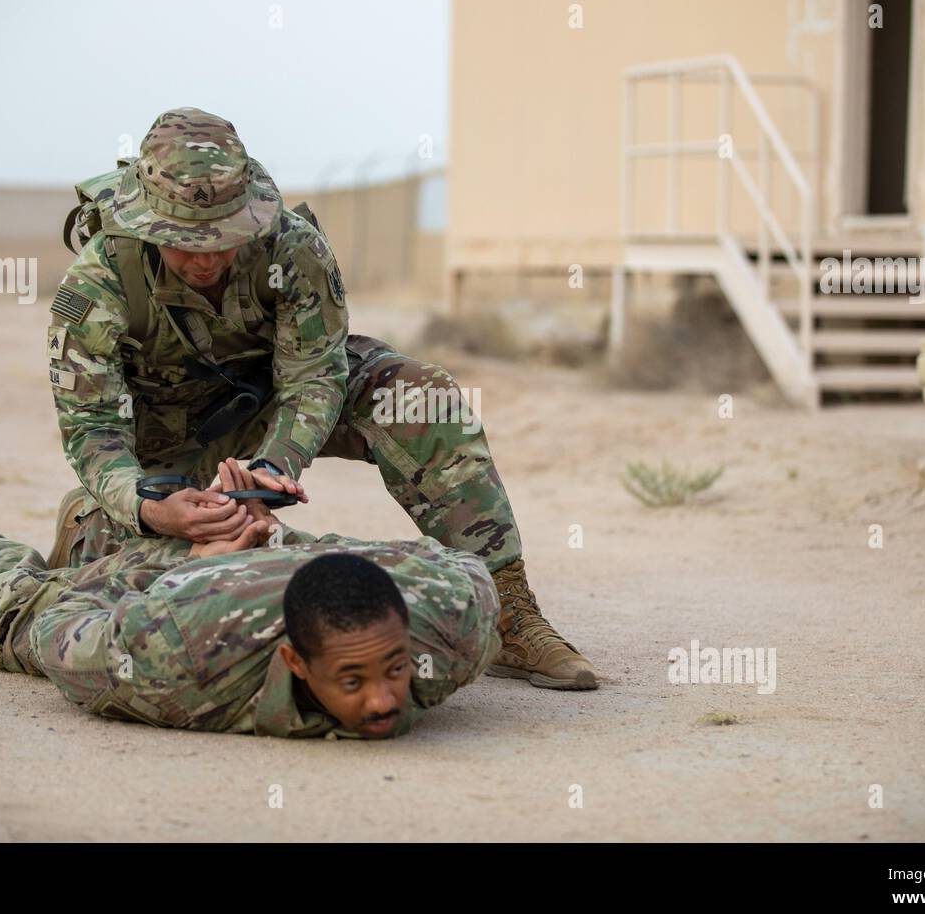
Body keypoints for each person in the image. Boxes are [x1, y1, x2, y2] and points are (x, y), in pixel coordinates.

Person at [46, 107, 596, 689]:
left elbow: (313, 374)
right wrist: (147, 507)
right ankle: (85, 524)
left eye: (224, 237)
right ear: (146, 224)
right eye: (184, 243)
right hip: (168, 443)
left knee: (418, 395)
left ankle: (513, 615)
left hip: (275, 404)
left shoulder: (291, 247)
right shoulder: (99, 281)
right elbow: (94, 430)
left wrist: (275, 464)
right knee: (139, 570)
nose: (205, 258)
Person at [0, 462, 500, 739]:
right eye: (350, 681)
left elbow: (452, 563)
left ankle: (99, 532)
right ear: (295, 663)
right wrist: (181, 576)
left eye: (392, 670)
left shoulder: (454, 623)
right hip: (182, 594)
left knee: (252, 545)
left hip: (266, 554)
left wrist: (271, 533)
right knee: (19, 622)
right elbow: (63, 636)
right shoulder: (179, 654)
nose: (384, 700)